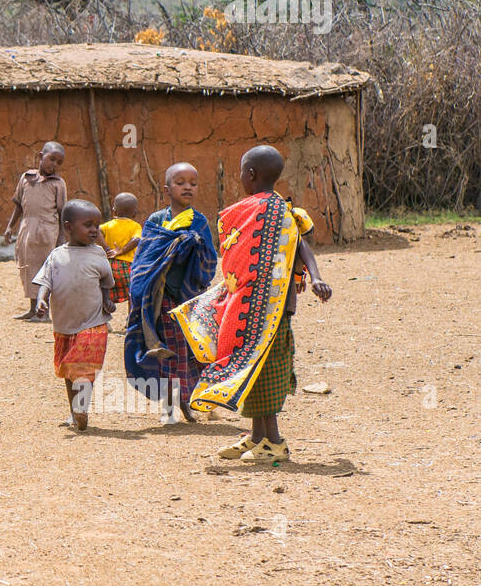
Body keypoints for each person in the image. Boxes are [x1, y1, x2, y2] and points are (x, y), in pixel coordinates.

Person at [175, 145, 333, 463]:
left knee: (264, 372)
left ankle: (274, 443)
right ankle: (257, 437)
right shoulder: (273, 210)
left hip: (274, 309)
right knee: (250, 368)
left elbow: (301, 246)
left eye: (240, 172)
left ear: (250, 174)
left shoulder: (277, 213)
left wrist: (315, 277)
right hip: (248, 301)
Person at [123, 163, 218, 425]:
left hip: (187, 299)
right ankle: (167, 407)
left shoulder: (199, 222)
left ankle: (186, 403)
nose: (187, 187)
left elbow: (209, 260)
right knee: (165, 352)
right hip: (159, 298)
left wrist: (192, 244)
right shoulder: (156, 221)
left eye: (193, 183)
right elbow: (145, 259)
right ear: (166, 189)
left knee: (188, 352)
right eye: (180, 182)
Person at [33, 199, 115, 432]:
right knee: (69, 371)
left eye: (97, 225)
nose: (94, 230)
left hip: (93, 322)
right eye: (87, 225)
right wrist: (41, 300)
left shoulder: (98, 253)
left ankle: (82, 408)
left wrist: (107, 300)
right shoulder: (57, 256)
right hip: (64, 326)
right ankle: (74, 412)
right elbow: (45, 282)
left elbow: (106, 282)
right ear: (68, 227)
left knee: (83, 368)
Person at [4, 142, 68, 321]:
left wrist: (62, 236)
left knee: (45, 270)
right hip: (27, 229)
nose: (54, 165)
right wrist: (10, 226)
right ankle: (33, 309)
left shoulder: (58, 183)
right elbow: (18, 205)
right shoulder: (26, 178)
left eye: (59, 162)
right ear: (41, 156)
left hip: (47, 231)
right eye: (51, 159)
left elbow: (62, 211)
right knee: (28, 268)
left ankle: (44, 312)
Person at [100, 192, 142, 305]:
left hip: (109, 267)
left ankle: (104, 316)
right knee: (132, 296)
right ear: (135, 213)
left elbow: (96, 231)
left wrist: (107, 249)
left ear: (114, 211)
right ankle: (131, 319)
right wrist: (121, 251)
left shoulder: (108, 225)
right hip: (128, 267)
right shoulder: (136, 226)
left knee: (105, 294)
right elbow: (136, 240)